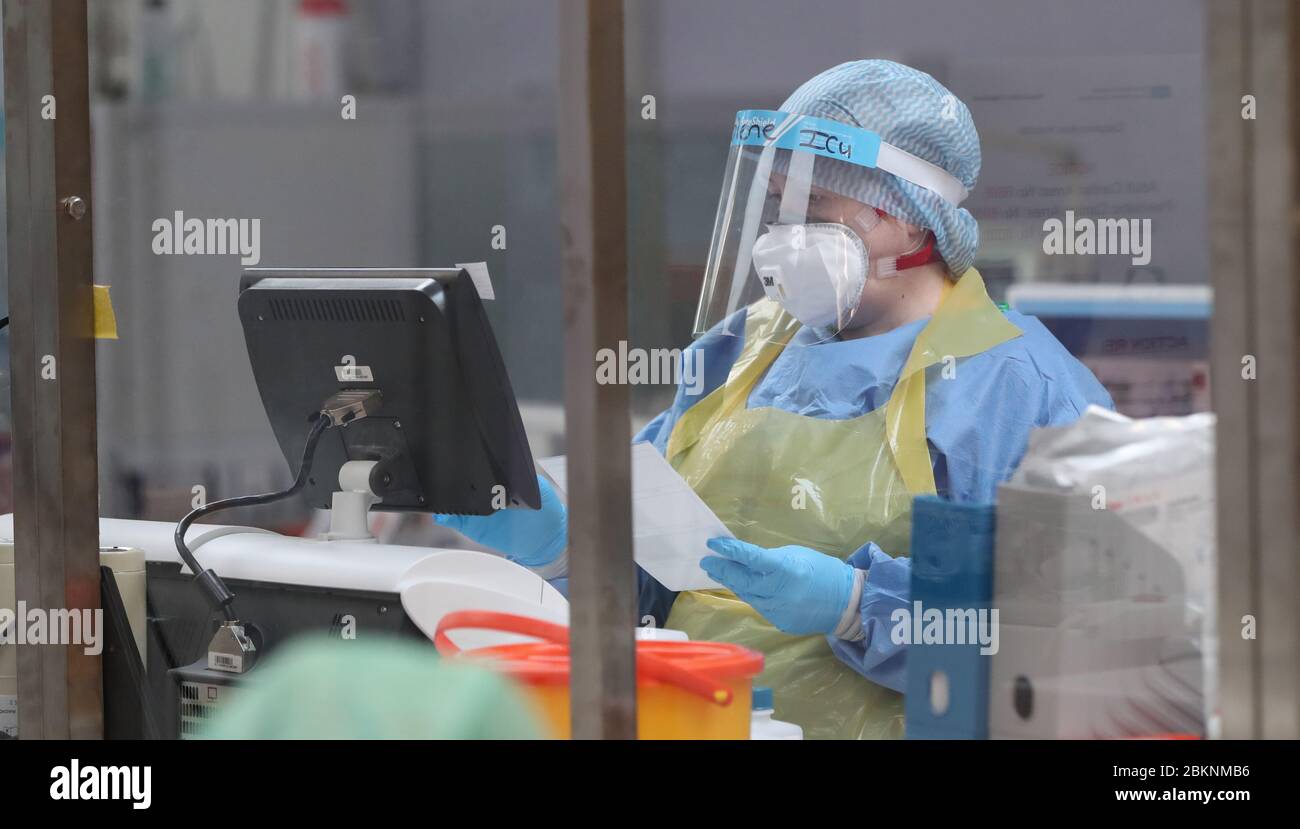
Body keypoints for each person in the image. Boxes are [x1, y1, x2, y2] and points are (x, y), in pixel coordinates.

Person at [437, 60, 1113, 740]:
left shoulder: (1017, 384)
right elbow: (656, 592)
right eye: (779, 205)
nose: (784, 236)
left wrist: (856, 606)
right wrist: (566, 547)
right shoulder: (740, 350)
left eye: (815, 209)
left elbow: (1068, 634)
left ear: (912, 222)